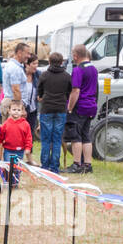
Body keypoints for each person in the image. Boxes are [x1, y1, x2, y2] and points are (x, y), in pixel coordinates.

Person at [36, 51, 73, 173]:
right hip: (61, 109)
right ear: (62, 62)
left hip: (46, 109)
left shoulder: (44, 75)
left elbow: (40, 91)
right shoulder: (67, 76)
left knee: (46, 139)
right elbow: (69, 92)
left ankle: (45, 165)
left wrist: (42, 97)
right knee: (57, 139)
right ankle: (55, 166)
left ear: (49, 61)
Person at [65, 44, 99, 174]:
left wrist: (70, 107)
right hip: (91, 106)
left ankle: (76, 164)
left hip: (80, 106)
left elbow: (75, 91)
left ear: (75, 56)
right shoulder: (94, 69)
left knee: (76, 137)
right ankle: (87, 164)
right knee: (86, 136)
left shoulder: (78, 70)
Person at [0, 100, 34, 185]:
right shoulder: (6, 124)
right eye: (14, 109)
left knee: (17, 168)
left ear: (22, 112)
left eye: (18, 110)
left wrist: (28, 148)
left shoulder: (25, 124)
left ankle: (15, 183)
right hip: (8, 150)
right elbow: (0, 137)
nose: (16, 112)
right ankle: (8, 181)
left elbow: (29, 138)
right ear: (9, 110)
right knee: (8, 167)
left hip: (20, 151)